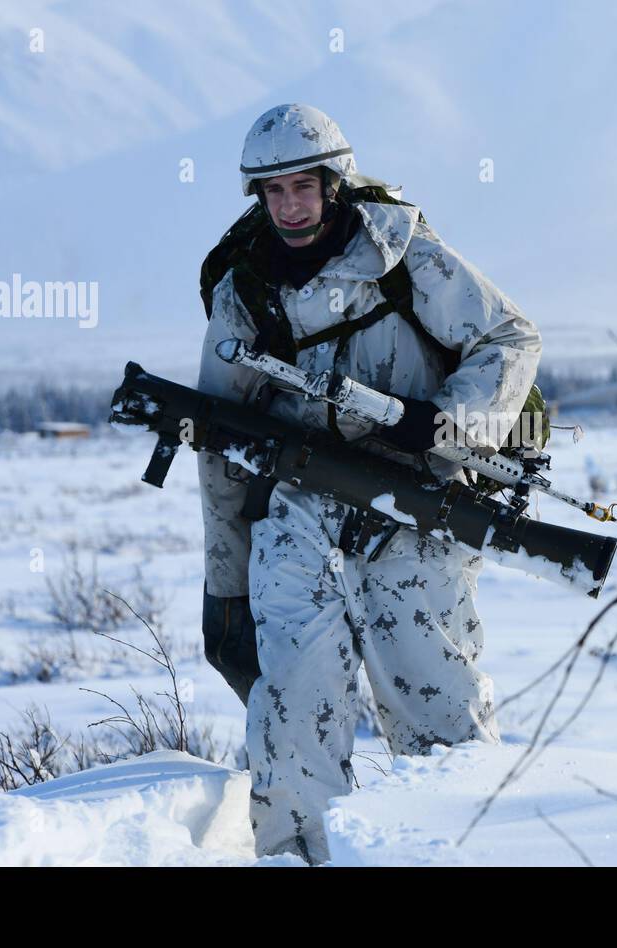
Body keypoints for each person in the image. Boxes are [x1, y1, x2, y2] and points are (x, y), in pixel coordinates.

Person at [196, 103, 542, 863]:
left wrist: (442, 427)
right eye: (272, 191)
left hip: (414, 508)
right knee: (292, 720)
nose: (289, 206)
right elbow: (217, 439)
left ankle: (459, 855)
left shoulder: (406, 252)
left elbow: (511, 338)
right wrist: (225, 586)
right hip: (297, 511)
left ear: (334, 183)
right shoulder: (243, 289)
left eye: (302, 187)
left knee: (439, 717)